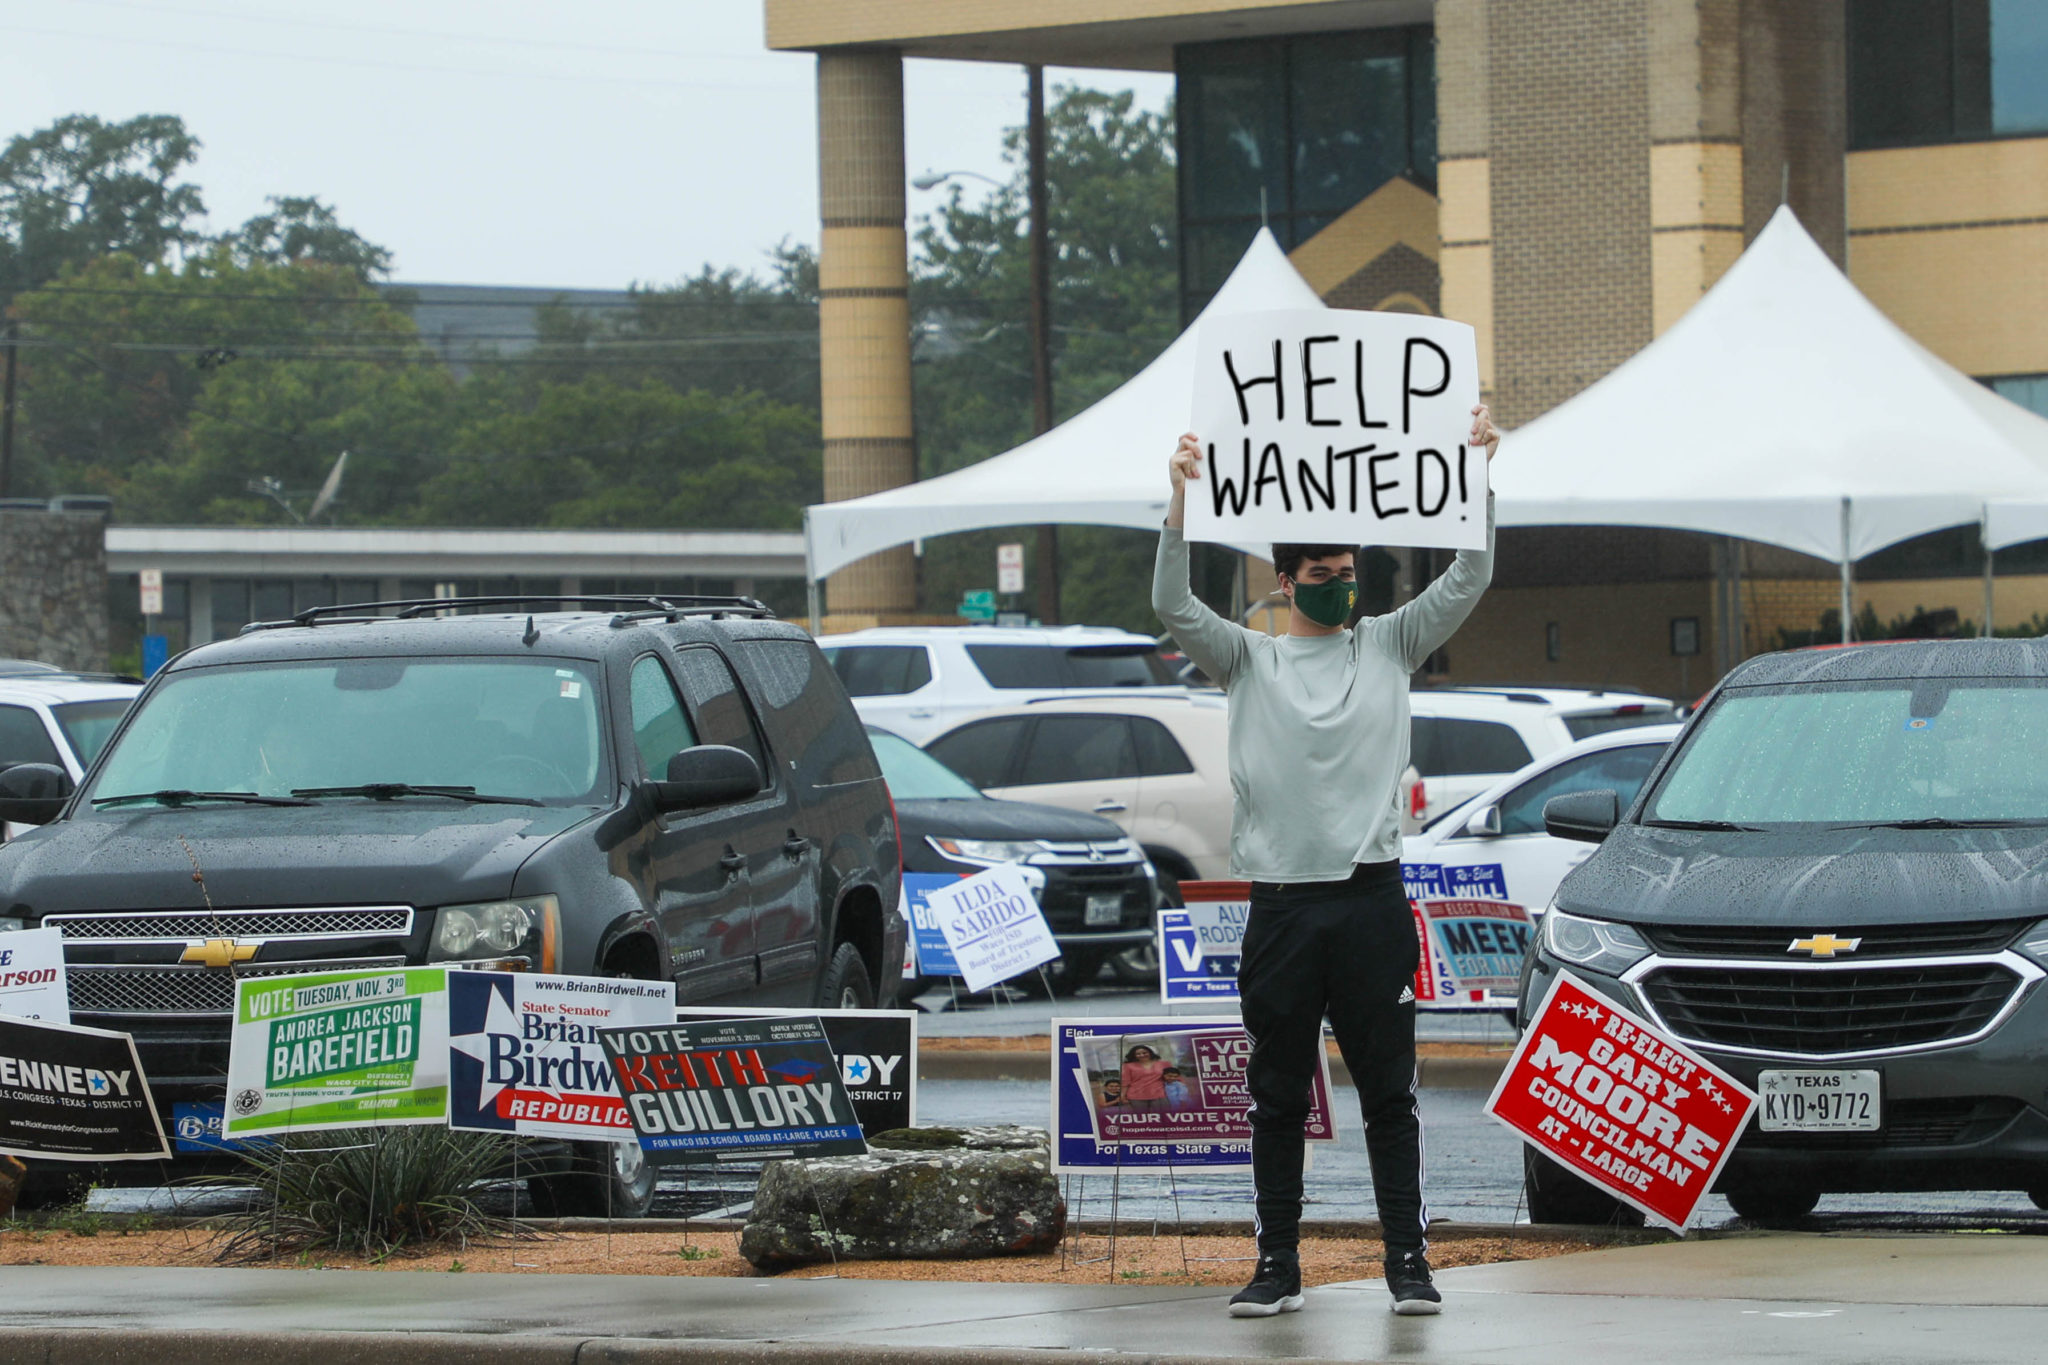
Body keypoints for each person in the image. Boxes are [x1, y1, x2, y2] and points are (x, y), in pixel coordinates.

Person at [1153, 406, 1500, 1319]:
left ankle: (1408, 1262)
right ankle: (1277, 1264)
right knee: (1275, 1095)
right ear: (1285, 581)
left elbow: (1471, 572)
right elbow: (1173, 605)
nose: (1340, 588)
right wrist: (1179, 499)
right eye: (1322, 576)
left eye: (1349, 575)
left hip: (1371, 900)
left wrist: (1476, 473)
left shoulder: (1390, 643)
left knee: (1390, 1094)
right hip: (1282, 908)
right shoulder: (1248, 658)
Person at [1119, 1043, 1170, 1113]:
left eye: (1144, 1053)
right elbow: (1125, 1082)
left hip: (1159, 1094)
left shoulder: (1164, 1064)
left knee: (1163, 1116)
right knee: (1141, 1117)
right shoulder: (1128, 1066)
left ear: (1150, 1053)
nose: (1142, 1055)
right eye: (1138, 1054)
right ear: (1134, 1055)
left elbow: (1174, 1077)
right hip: (1136, 1096)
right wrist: (1122, 1096)